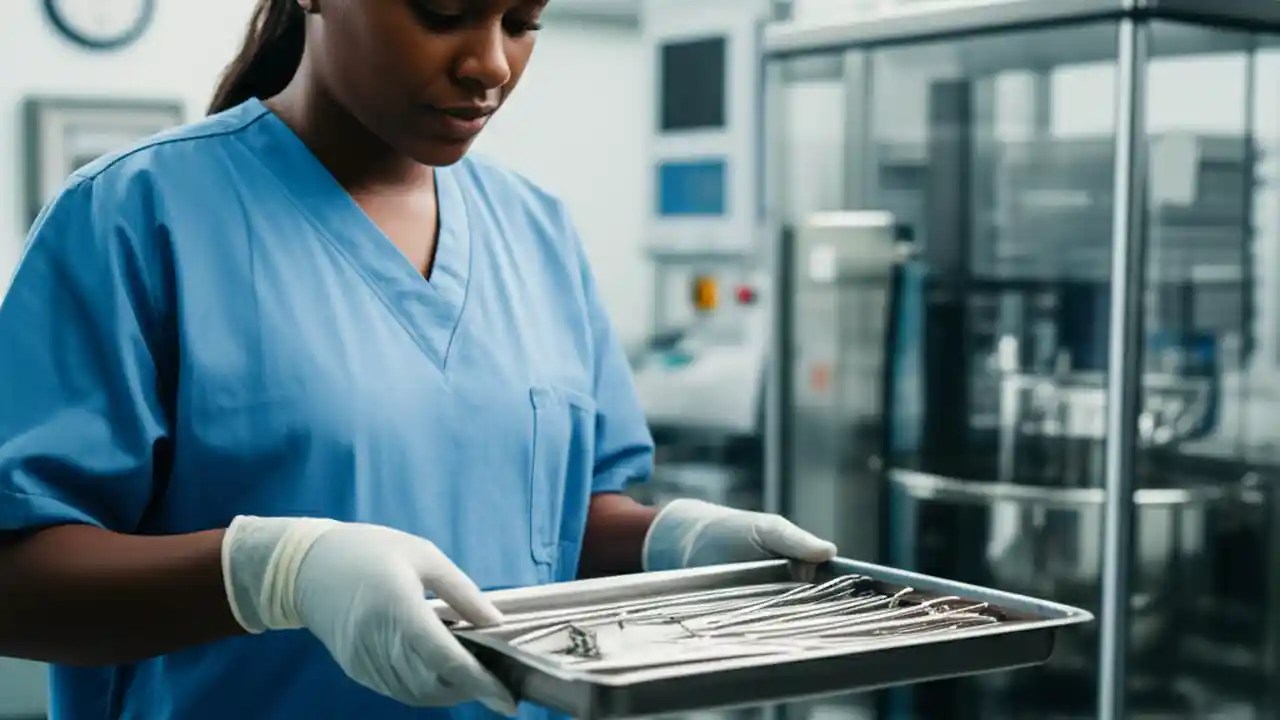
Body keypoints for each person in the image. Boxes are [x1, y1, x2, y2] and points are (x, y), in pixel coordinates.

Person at [0, 1, 837, 718]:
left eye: (522, 22)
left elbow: (548, 522)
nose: (490, 65)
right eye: (442, 15)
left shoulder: (535, 230)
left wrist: (676, 543)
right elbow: (19, 582)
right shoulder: (134, 217)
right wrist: (275, 575)